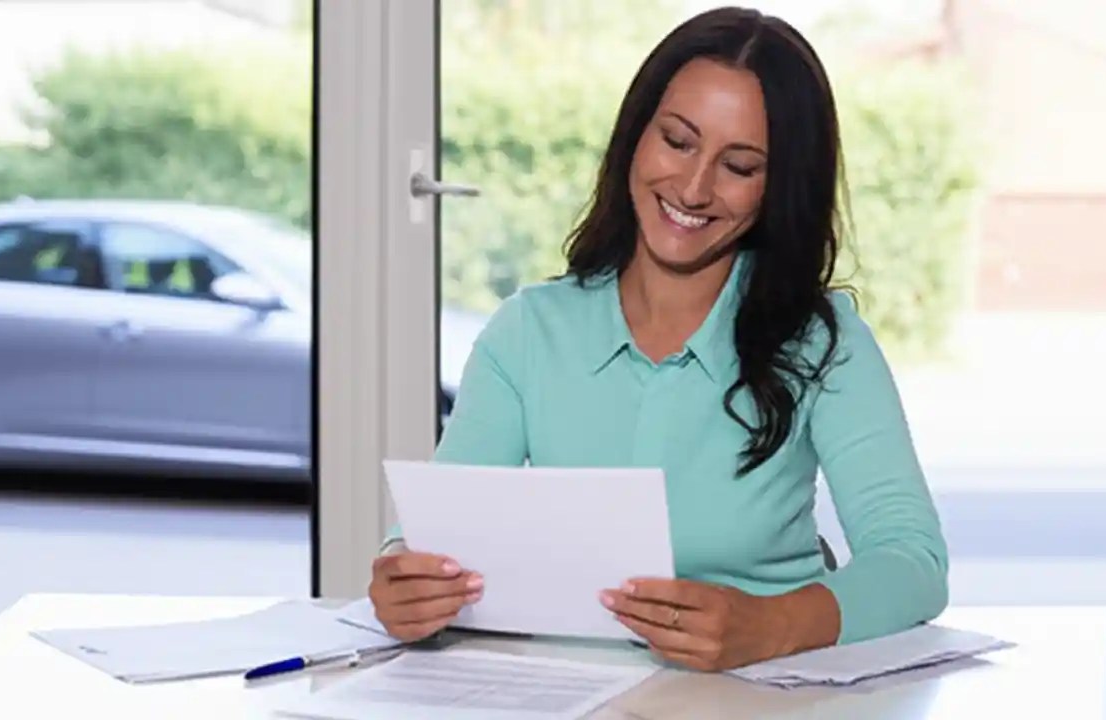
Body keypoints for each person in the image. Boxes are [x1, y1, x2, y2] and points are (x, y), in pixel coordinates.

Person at [368, 6, 948, 672]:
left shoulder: (824, 342)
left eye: (740, 166)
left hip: (761, 698)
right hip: (562, 693)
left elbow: (914, 561)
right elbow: (428, 537)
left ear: (779, 186)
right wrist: (403, 580)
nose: (694, 188)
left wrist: (772, 625)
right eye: (677, 141)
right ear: (635, 137)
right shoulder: (528, 332)